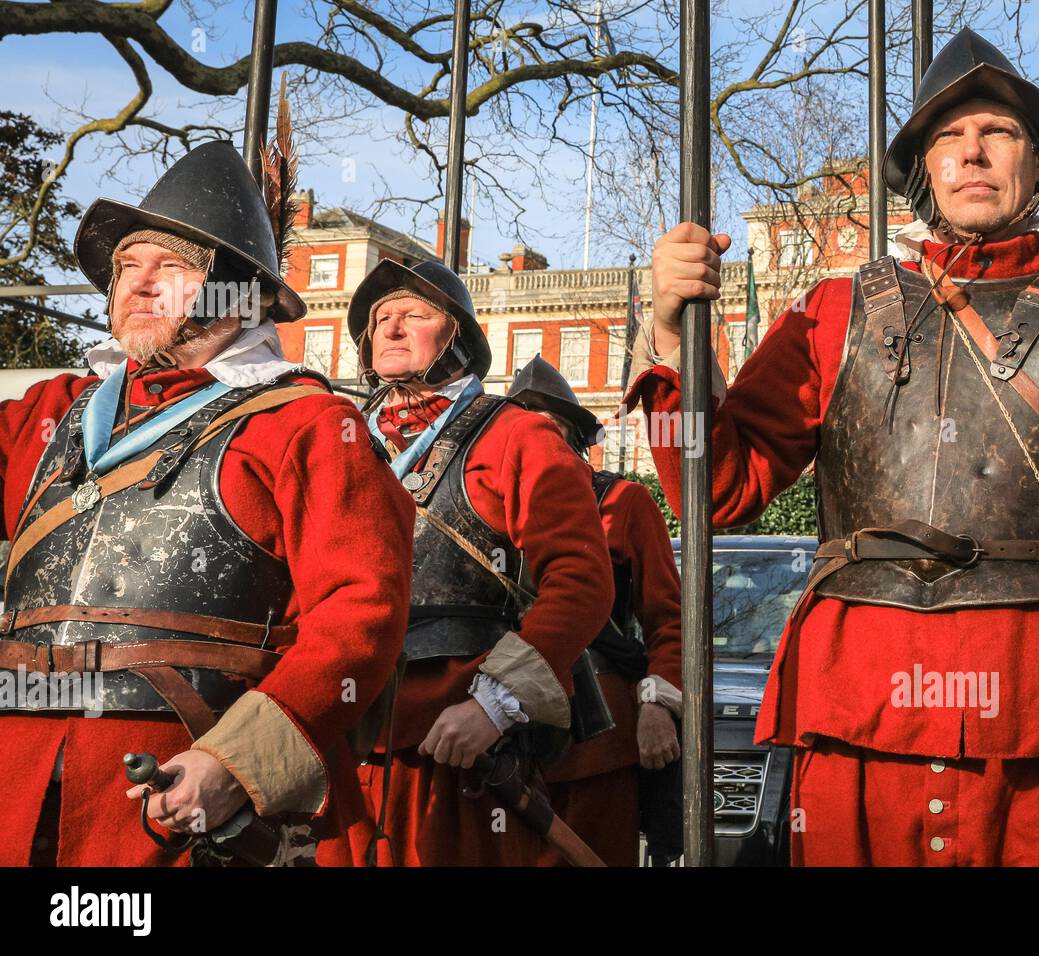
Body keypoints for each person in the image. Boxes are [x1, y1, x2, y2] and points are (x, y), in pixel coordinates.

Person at [625, 29, 1039, 865]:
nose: (971, 152)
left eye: (997, 133)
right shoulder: (830, 311)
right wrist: (674, 336)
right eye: (946, 138)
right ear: (924, 173)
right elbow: (712, 489)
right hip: (858, 723)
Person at [0, 141, 413, 866]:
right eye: (127, 266)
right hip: (16, 782)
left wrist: (238, 762)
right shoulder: (49, 411)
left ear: (236, 293)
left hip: (181, 797)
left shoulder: (308, 425)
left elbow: (361, 613)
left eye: (173, 267)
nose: (139, 283)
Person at [341, 259, 613, 865]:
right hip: (339, 737)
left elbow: (582, 581)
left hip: (457, 745)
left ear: (458, 335)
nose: (390, 327)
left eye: (413, 314)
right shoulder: (338, 437)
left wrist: (492, 706)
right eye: (381, 319)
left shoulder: (518, 436)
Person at [508, 356, 683, 866]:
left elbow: (668, 619)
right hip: (503, 734)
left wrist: (657, 706)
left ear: (574, 439)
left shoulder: (625, 503)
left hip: (600, 737)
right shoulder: (489, 504)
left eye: (549, 430)